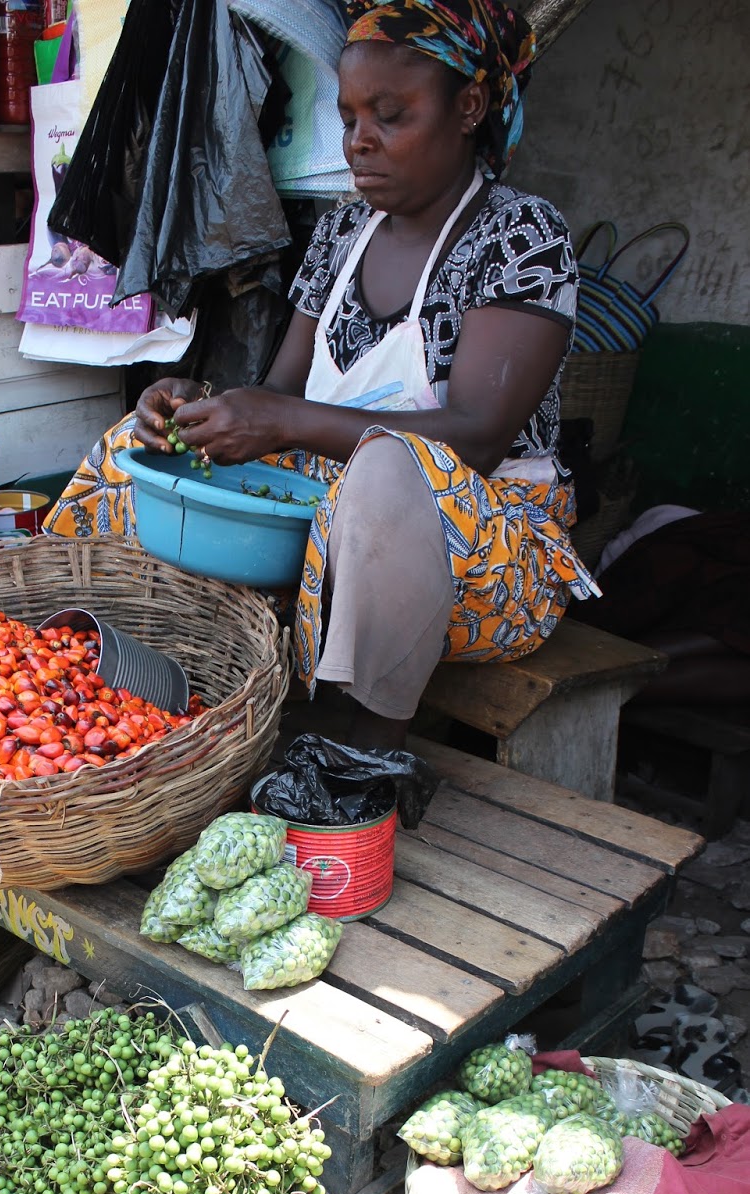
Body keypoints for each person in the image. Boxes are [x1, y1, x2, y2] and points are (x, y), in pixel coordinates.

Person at [43, 0, 599, 747]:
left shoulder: (520, 235)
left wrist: (283, 422)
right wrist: (200, 408)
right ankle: (89, 687)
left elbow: (479, 435)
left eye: (391, 115)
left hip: (484, 557)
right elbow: (280, 395)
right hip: (325, 527)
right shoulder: (343, 229)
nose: (360, 141)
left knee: (386, 474)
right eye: (348, 117)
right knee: (141, 453)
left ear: (468, 107)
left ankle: (359, 758)